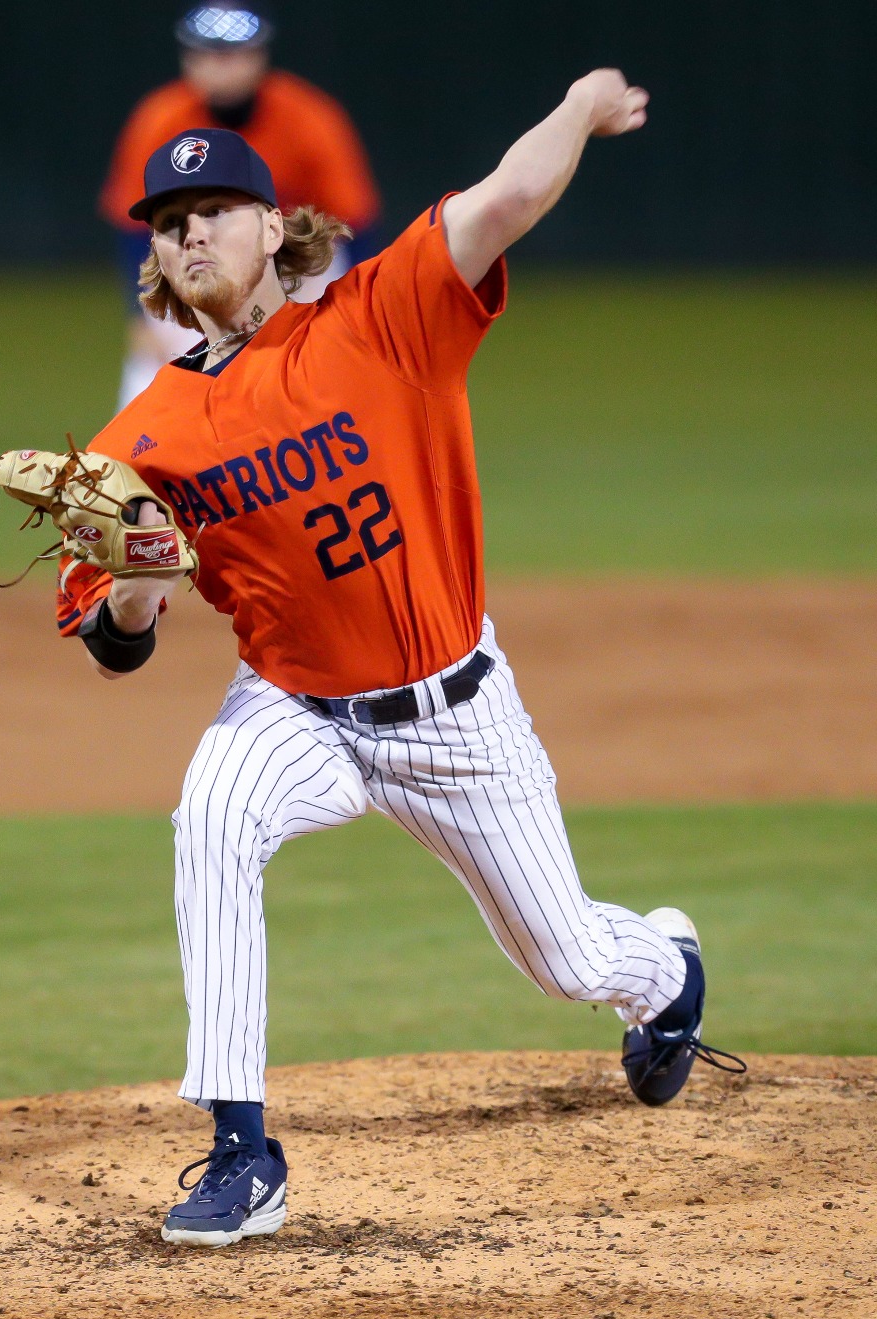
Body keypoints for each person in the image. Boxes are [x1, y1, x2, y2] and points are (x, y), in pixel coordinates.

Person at [59, 70, 742, 1249]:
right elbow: (117, 645)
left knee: (564, 955)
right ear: (158, 267)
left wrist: (578, 109)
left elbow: (505, 198)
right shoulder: (139, 441)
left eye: (214, 208)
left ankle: (661, 975)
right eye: (170, 226)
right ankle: (239, 1150)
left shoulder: (381, 316)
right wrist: (137, 581)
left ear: (274, 226)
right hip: (296, 707)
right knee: (212, 810)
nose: (190, 231)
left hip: (456, 714)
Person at [98, 3, 379, 408]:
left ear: (259, 57)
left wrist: (358, 308)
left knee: (327, 381)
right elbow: (132, 230)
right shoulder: (159, 118)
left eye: (233, 55)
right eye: (209, 55)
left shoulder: (309, 118)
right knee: (152, 384)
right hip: (195, 260)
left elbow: (357, 223)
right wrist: (139, 314)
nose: (222, 67)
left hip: (295, 263)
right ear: (188, 60)